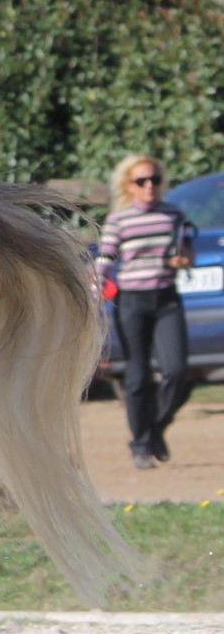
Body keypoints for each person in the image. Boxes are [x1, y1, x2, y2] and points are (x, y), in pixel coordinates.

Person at [95, 154, 195, 468]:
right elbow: (106, 257)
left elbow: (182, 251)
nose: (149, 186)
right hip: (133, 301)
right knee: (138, 377)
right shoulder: (119, 219)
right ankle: (141, 444)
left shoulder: (173, 214)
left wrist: (183, 260)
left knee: (177, 371)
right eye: (141, 181)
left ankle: (156, 428)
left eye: (154, 179)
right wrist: (94, 288)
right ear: (130, 186)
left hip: (166, 298)